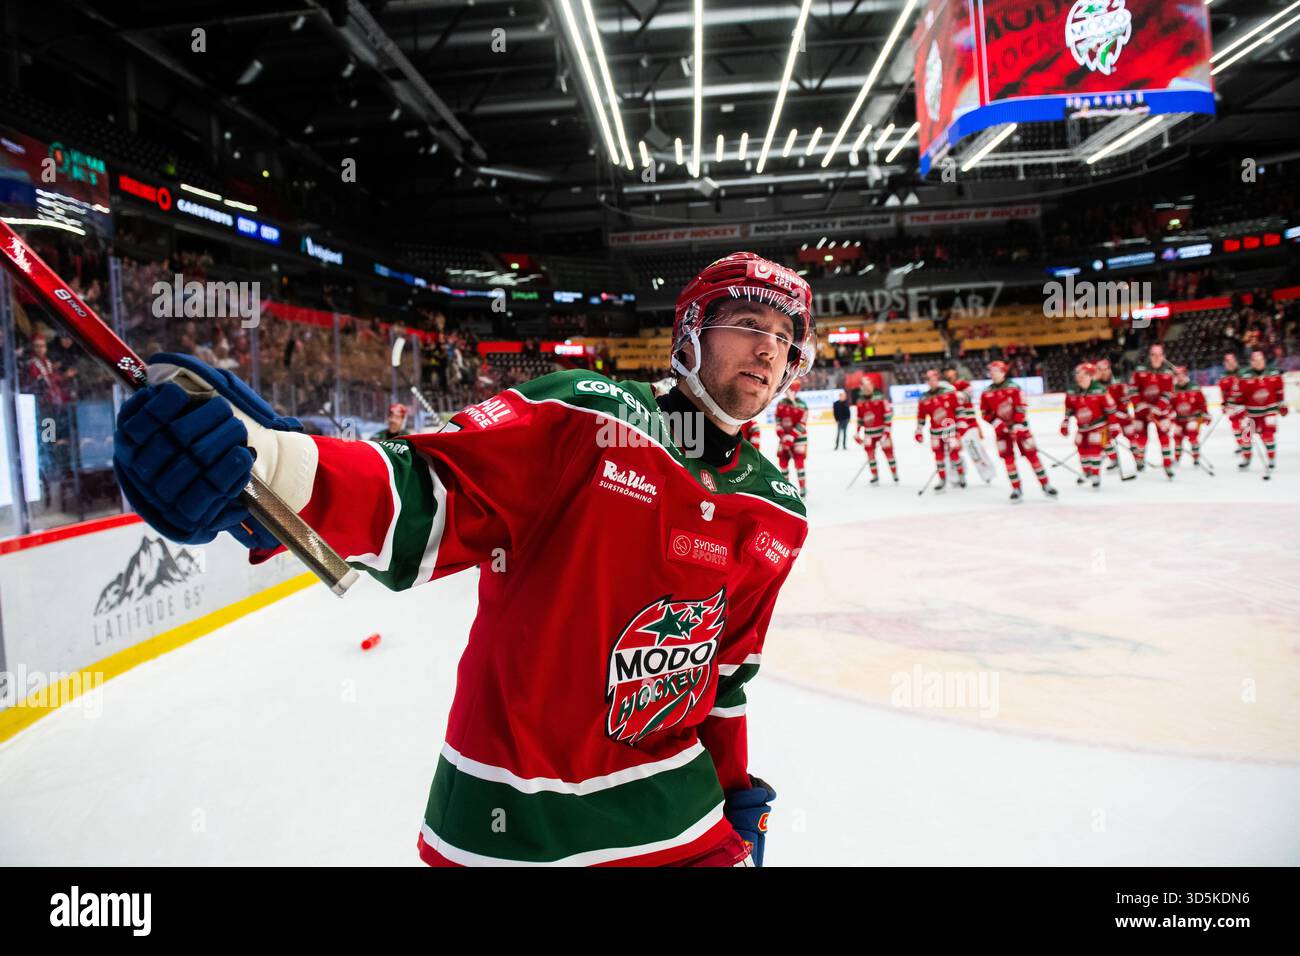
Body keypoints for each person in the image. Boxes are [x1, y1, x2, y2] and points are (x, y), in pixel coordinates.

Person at [110, 251, 814, 867]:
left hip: (684, 825)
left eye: (784, 339)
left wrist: (734, 791)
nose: (767, 350)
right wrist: (272, 467)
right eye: (749, 324)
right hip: (515, 832)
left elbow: (723, 676)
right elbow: (426, 495)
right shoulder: (591, 416)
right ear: (690, 331)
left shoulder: (778, 506)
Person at [979, 360, 1056, 502]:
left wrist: (1018, 425)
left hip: (1020, 429)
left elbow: (1021, 407)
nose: (993, 374)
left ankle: (1046, 485)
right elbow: (985, 413)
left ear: (1003, 372)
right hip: (1001, 432)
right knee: (1008, 459)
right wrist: (997, 423)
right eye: (992, 372)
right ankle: (1016, 488)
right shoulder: (986, 392)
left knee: (1032, 456)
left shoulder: (1014, 388)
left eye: (996, 371)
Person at [1061, 363, 1116, 490]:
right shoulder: (1071, 391)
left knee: (1094, 450)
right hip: (1082, 427)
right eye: (1078, 374)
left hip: (1098, 426)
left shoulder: (1100, 390)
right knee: (1082, 451)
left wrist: (1113, 426)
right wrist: (1065, 422)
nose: (1079, 377)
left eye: (1083, 374)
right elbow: (1069, 409)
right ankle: (1087, 472)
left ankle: (1096, 475)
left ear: (1090, 376)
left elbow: (1111, 409)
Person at [1238, 347, 1288, 478]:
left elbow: (1279, 393)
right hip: (1251, 414)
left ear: (1264, 360)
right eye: (1255, 360)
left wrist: (1282, 405)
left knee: (1267, 436)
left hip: (1269, 411)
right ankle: (1247, 458)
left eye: (1261, 359)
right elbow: (1238, 396)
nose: (1259, 362)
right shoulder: (1244, 376)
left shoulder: (1274, 374)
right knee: (1246, 437)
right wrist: (1233, 406)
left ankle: (1271, 459)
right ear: (1251, 362)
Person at [1129, 343, 1177, 478]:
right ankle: (1139, 460)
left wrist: (1156, 410)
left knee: (1164, 437)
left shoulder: (1168, 374)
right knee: (1141, 437)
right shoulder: (1139, 370)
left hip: (1160, 412)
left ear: (1164, 356)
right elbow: (1132, 390)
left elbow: (1168, 394)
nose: (1156, 357)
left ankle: (1167, 464)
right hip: (1142, 411)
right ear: (1149, 356)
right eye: (1153, 354)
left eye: (1159, 355)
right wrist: (1141, 406)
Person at [914, 369, 963, 490]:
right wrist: (919, 431)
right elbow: (921, 417)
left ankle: (961, 475)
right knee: (938, 456)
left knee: (954, 455)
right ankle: (942, 480)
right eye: (929, 380)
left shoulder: (949, 392)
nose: (932, 382)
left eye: (934, 379)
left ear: (938, 379)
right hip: (935, 432)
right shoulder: (924, 398)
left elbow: (959, 409)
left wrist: (961, 425)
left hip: (950, 429)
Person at [853, 378, 896, 484]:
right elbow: (860, 418)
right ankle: (874, 475)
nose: (867, 388)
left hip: (882, 432)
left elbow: (888, 416)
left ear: (872, 386)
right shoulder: (860, 401)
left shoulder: (881, 398)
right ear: (861, 388)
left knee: (889, 453)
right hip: (869, 433)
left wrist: (886, 432)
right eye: (864, 387)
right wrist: (857, 432)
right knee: (870, 455)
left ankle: (894, 474)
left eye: (869, 386)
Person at [775, 379, 809, 497]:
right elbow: (778, 421)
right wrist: (782, 435)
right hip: (784, 439)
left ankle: (803, 487)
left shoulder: (802, 405)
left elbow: (802, 424)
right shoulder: (781, 403)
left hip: (799, 440)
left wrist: (791, 436)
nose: (787, 392)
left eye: (789, 389)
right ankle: (786, 489)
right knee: (783, 463)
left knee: (799, 463)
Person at [1170, 367, 1209, 467]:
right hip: (1179, 419)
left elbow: (1202, 403)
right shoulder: (1173, 389)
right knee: (1177, 438)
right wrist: (1169, 416)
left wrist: (1206, 413)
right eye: (1177, 375)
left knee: (1192, 436)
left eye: (1181, 374)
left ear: (1186, 375)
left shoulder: (1194, 387)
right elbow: (1170, 406)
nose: (1179, 377)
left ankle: (1196, 457)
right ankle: (1177, 459)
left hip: (1193, 418)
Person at [1217, 352, 1248, 463]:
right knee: (1235, 426)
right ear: (1225, 363)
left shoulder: (1244, 373)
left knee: (1245, 426)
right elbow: (1223, 393)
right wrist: (1224, 404)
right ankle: (1241, 445)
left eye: (1232, 360)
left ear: (1236, 361)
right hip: (1232, 406)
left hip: (1244, 406)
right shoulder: (1223, 377)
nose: (1230, 363)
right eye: (1227, 361)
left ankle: (1247, 444)